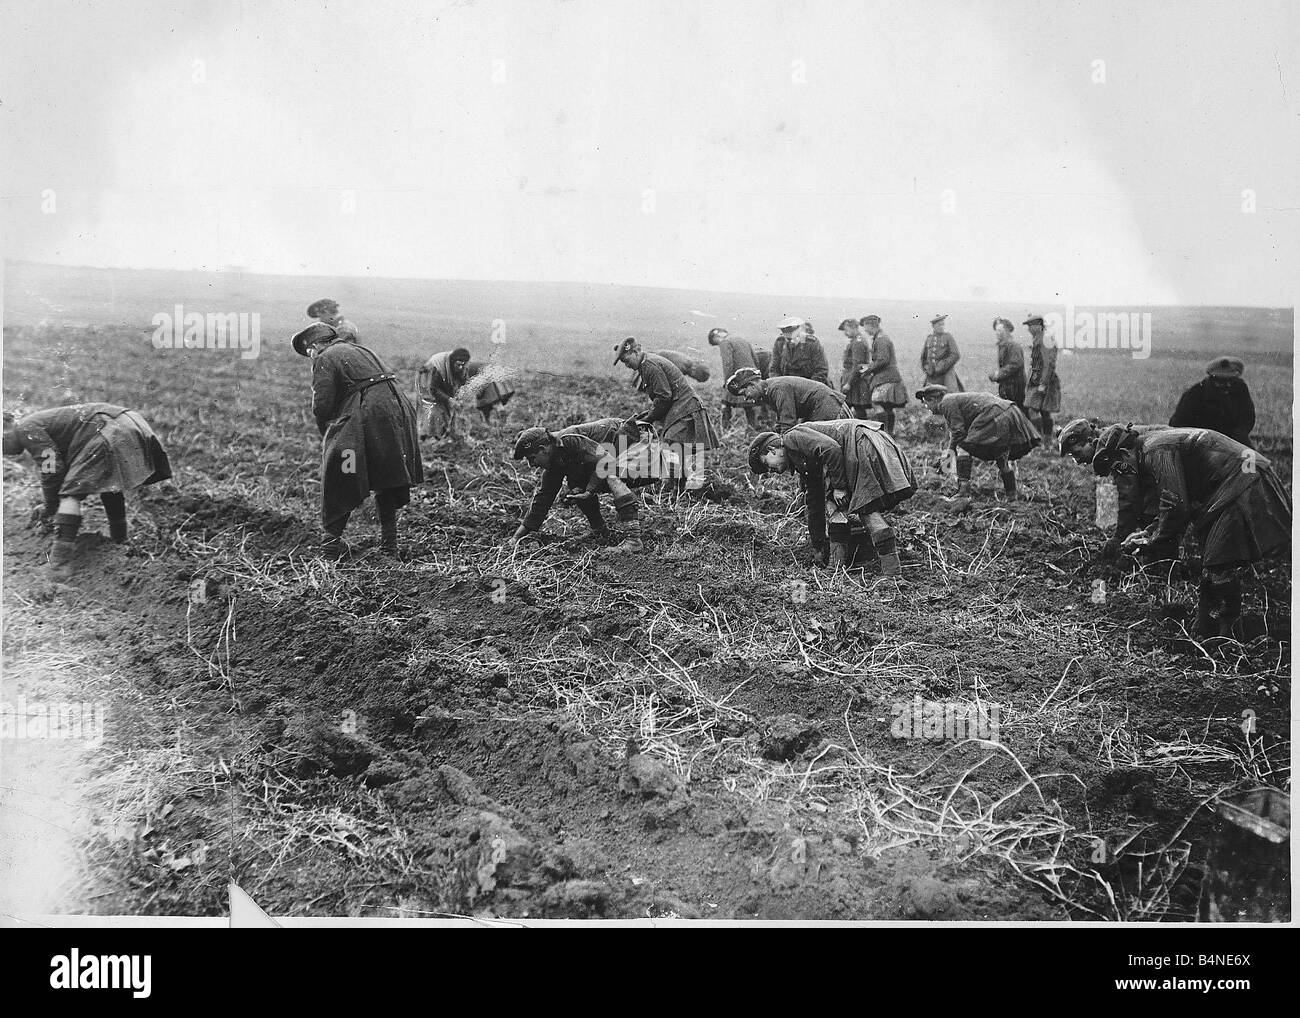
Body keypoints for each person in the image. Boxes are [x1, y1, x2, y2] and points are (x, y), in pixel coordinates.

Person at [1092, 424, 1291, 638]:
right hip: (1238, 478)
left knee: (1218, 564)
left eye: (1118, 468)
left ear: (1123, 453)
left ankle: (1229, 636)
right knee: (1214, 563)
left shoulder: (1155, 451)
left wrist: (1151, 540)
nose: (1122, 474)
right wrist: (1149, 533)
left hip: (1244, 480)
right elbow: (1173, 502)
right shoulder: (1149, 449)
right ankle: (1209, 628)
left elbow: (1177, 505)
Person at [293, 322, 424, 558]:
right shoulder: (361, 350)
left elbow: (321, 405)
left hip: (369, 413)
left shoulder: (325, 356)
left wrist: (328, 436)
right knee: (387, 476)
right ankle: (389, 546)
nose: (311, 357)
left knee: (341, 469)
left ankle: (330, 543)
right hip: (397, 411)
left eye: (309, 353)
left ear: (314, 346)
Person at [3, 403, 172, 580]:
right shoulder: (33, 423)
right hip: (130, 422)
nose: (5, 453)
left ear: (4, 431)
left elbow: (51, 468)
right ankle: (120, 541)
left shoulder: (25, 429)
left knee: (70, 494)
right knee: (109, 485)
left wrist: (50, 507)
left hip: (110, 428)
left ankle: (59, 566)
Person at [747, 419, 917, 575]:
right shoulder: (799, 456)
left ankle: (892, 573)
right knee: (834, 504)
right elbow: (814, 500)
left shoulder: (792, 438)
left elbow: (831, 449)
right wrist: (817, 544)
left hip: (863, 444)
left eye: (766, 464)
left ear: (771, 450)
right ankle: (836, 568)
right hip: (865, 443)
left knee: (866, 508)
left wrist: (840, 487)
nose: (771, 471)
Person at [509, 420, 646, 550]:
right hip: (617, 454)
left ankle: (633, 540)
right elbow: (543, 499)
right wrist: (516, 538)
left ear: (543, 449)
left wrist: (590, 490)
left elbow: (607, 462)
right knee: (576, 487)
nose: (531, 465)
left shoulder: (569, 440)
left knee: (610, 475)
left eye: (531, 458)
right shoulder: (554, 458)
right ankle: (600, 531)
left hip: (638, 442)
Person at [614, 337, 720, 492]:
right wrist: (648, 414)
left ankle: (672, 488)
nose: (626, 365)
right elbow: (661, 397)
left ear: (636, 352)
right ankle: (678, 487)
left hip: (685, 408)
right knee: (678, 447)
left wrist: (650, 417)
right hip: (681, 408)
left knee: (671, 445)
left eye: (626, 359)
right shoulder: (646, 365)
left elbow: (664, 397)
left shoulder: (649, 365)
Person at [1058, 418, 1169, 558]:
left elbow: (1129, 494)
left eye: (1077, 453)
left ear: (1091, 439)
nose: (1078, 461)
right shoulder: (1111, 439)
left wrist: (1119, 537)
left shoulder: (1112, 445)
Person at [917, 384, 1039, 498]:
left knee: (963, 447)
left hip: (994, 414)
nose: (926, 407)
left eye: (925, 403)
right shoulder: (952, 400)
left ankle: (963, 491)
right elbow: (959, 431)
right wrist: (947, 458)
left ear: (933, 400)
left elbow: (958, 432)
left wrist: (949, 456)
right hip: (1008, 411)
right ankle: (1012, 495)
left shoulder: (946, 403)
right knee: (1001, 454)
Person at [726, 367, 849, 434]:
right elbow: (782, 420)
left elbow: (788, 422)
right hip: (825, 408)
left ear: (752, 384)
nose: (746, 398)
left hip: (830, 409)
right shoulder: (769, 390)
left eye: (744, 393)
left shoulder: (777, 388)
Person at [1169, 356, 1255, 448]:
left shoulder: (1240, 388)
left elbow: (1248, 417)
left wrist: (1240, 434)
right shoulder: (1195, 393)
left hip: (1232, 439)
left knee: (1254, 459)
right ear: (1212, 379)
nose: (1226, 386)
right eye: (1221, 382)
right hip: (1200, 442)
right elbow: (1177, 424)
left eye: (1230, 381)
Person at [859, 315, 908, 434]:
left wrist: (868, 369)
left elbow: (883, 360)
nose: (865, 330)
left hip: (885, 377)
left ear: (871, 325)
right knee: (887, 406)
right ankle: (889, 433)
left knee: (876, 403)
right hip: (889, 377)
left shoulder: (881, 339)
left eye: (865, 327)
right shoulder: (881, 338)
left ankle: (884, 433)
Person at [708, 327, 761, 432]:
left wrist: (728, 382)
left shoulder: (725, 343)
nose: (718, 344)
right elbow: (755, 358)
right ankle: (752, 429)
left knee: (726, 402)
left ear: (717, 336)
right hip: (752, 376)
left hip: (738, 378)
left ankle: (725, 429)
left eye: (716, 342)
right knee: (748, 402)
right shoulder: (742, 339)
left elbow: (728, 364)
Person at [416, 347, 472, 439]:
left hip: (444, 384)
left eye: (463, 365)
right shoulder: (437, 367)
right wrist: (449, 399)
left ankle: (448, 433)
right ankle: (429, 437)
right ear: (453, 362)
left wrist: (460, 398)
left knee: (450, 409)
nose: (461, 367)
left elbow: (464, 382)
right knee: (434, 409)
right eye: (458, 365)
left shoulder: (462, 367)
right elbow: (433, 389)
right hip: (428, 383)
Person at [1023, 314, 1060, 449]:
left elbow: (1048, 363)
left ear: (1038, 326)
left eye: (1031, 326)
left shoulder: (1045, 339)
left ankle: (1041, 441)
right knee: (1042, 411)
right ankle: (1046, 443)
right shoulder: (1039, 339)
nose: (1029, 329)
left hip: (1043, 381)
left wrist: (1043, 384)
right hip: (1038, 380)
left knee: (1035, 410)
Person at [771, 317, 830, 386]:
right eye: (788, 339)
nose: (791, 341)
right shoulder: (780, 343)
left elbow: (821, 370)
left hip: (811, 385)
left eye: (795, 338)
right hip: (786, 387)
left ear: (800, 332)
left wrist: (807, 388)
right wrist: (780, 385)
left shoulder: (812, 343)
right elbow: (773, 369)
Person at [988, 318, 1026, 413]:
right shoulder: (1003, 346)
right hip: (1007, 385)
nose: (997, 333)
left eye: (1000, 331)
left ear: (1007, 331)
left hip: (1015, 386)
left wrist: (998, 375)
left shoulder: (1014, 346)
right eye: (996, 331)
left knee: (1017, 412)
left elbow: (1016, 364)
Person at [839, 318, 873, 419]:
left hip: (855, 381)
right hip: (854, 379)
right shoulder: (856, 340)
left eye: (846, 329)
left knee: (852, 408)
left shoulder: (858, 342)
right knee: (856, 408)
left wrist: (849, 383)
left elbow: (857, 365)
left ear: (853, 328)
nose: (845, 333)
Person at [921, 314, 963, 391]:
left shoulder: (948, 337)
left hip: (946, 373)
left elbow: (956, 354)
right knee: (927, 394)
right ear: (933, 326)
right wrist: (926, 368)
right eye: (939, 325)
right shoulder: (929, 338)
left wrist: (943, 364)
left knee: (951, 395)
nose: (942, 327)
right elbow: (923, 357)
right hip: (931, 374)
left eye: (943, 324)